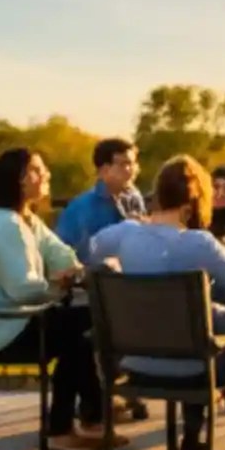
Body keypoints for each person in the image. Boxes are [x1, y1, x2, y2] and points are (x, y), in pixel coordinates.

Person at [0, 147, 127, 450]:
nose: (47, 175)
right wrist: (64, 282)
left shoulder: (25, 220)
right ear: (19, 181)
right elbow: (23, 290)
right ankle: (73, 423)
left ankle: (90, 415)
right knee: (80, 328)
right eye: (38, 171)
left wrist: (78, 270)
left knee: (83, 324)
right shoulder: (5, 224)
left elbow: (61, 254)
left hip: (4, 320)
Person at [86, 155, 225, 450]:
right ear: (196, 200)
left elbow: (93, 249)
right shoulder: (199, 244)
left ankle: (193, 434)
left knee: (199, 327)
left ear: (158, 193)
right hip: (192, 371)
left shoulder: (124, 234)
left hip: (135, 366)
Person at [55, 138, 150, 421]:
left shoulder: (134, 198)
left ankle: (125, 388)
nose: (131, 170)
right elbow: (62, 249)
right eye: (123, 164)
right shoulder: (81, 208)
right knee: (106, 321)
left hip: (126, 284)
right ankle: (104, 397)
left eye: (134, 163)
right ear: (103, 170)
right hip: (90, 288)